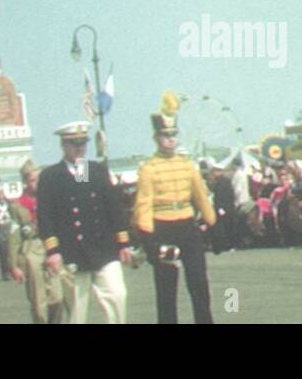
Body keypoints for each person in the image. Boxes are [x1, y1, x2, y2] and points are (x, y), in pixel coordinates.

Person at [134, 92, 218, 324]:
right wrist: (148, 238)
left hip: (187, 226)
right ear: (156, 138)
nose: (170, 140)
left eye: (173, 134)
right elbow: (144, 205)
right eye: (165, 135)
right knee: (166, 290)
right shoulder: (149, 169)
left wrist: (214, 225)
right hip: (163, 227)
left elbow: (201, 196)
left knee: (199, 285)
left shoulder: (187, 165)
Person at [38, 121, 129, 324]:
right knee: (78, 312)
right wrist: (52, 251)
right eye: (74, 144)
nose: (79, 148)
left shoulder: (95, 171)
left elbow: (113, 208)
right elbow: (45, 217)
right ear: (63, 145)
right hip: (73, 252)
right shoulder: (51, 177)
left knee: (117, 295)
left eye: (82, 144)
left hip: (103, 248)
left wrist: (122, 243)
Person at [9, 159, 65, 324]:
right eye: (33, 180)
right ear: (25, 182)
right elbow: (14, 237)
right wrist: (13, 265)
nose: (37, 183)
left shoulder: (50, 199)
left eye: (39, 178)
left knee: (58, 297)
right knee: (39, 303)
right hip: (31, 249)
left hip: (51, 246)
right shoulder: (18, 206)